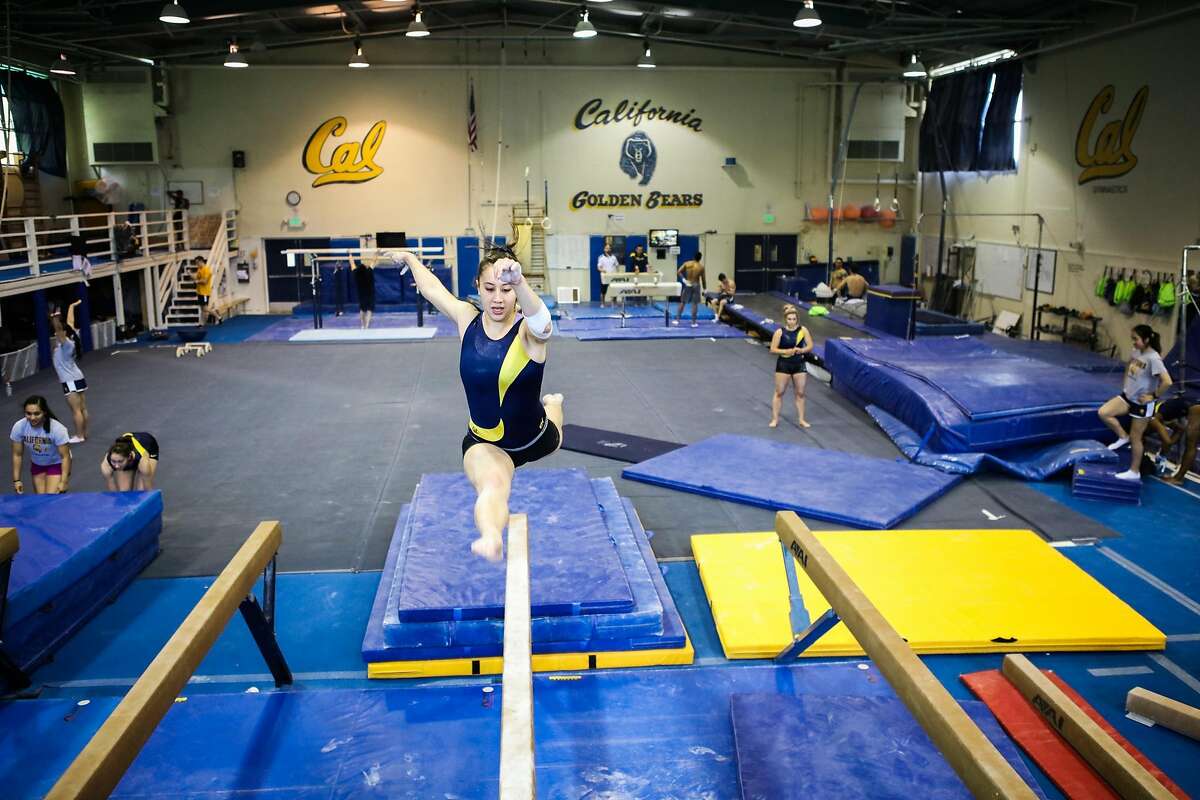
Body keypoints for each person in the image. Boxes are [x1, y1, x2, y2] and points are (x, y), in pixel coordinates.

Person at [384, 246, 561, 562]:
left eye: (507, 290)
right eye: (490, 289)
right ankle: (491, 536)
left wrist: (520, 282)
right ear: (477, 287)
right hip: (485, 442)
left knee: (554, 413)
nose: (498, 299)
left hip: (536, 438)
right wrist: (411, 259)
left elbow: (543, 324)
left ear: (516, 291)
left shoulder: (527, 331)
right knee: (493, 484)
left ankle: (554, 402)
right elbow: (432, 289)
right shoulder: (468, 319)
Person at [1098, 324, 1172, 480]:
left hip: (1143, 404)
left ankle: (1134, 471)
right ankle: (1122, 436)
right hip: (1128, 397)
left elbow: (1167, 381)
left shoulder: (1153, 358)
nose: (1133, 342)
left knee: (1136, 438)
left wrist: (1153, 395)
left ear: (1146, 340)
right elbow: (1129, 365)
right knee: (1104, 412)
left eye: (1136, 339)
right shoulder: (1136, 351)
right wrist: (1126, 384)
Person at [10, 395, 72, 494]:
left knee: (50, 499)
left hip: (56, 464)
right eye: (28, 413)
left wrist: (64, 481)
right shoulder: (19, 427)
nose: (32, 417)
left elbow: (65, 457)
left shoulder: (57, 429)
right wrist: (16, 480)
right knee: (40, 499)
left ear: (44, 412)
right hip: (37, 464)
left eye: (37, 413)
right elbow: (17, 454)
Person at [768, 305, 812, 429]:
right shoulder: (779, 332)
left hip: (799, 363)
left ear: (797, 319)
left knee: (800, 393)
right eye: (789, 319)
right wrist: (785, 351)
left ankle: (801, 419)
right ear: (785, 319)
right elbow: (772, 349)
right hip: (784, 364)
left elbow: (810, 346)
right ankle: (775, 419)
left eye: (794, 319)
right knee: (779, 392)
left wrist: (802, 350)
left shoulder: (803, 330)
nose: (792, 321)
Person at [51, 300, 89, 443]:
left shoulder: (66, 344)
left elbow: (59, 329)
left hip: (70, 380)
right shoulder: (72, 337)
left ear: (63, 333)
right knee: (83, 408)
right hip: (78, 377)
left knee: (76, 410)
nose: (56, 334)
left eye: (58, 333)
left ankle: (79, 436)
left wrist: (54, 318)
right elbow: (70, 322)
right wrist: (71, 307)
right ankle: (84, 433)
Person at [1150, 397, 1200, 485]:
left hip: (1195, 408)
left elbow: (1168, 442)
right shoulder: (1163, 415)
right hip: (1191, 405)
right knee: (1191, 443)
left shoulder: (1154, 419)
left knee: (1191, 444)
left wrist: (1161, 455)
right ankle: (1178, 477)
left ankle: (1178, 478)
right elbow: (1178, 430)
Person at [675, 252, 706, 327]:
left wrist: (683, 279)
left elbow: (678, 272)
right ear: (700, 258)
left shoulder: (687, 263)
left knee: (683, 302)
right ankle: (693, 323)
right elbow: (703, 279)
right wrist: (705, 289)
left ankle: (677, 320)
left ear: (693, 257)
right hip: (696, 285)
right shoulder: (701, 267)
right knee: (694, 304)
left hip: (688, 283)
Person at [349, 252, 377, 329]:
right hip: (370, 293)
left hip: (361, 293)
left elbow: (352, 264)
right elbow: (374, 261)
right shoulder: (369, 272)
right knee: (369, 309)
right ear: (366, 268)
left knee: (362, 308)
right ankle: (366, 325)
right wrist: (377, 253)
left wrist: (350, 254)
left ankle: (362, 324)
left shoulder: (356, 273)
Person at [597, 243, 619, 307]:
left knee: (615, 290)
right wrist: (602, 270)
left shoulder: (614, 257)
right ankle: (602, 303)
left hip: (612, 276)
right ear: (604, 249)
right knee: (603, 291)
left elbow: (617, 265)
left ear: (610, 249)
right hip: (605, 277)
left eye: (609, 248)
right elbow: (598, 268)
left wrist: (617, 273)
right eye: (606, 248)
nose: (608, 249)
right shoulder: (601, 257)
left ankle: (614, 302)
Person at [193, 256, 212, 324]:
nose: (196, 264)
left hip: (205, 293)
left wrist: (197, 281)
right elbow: (196, 278)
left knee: (205, 308)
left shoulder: (206, 269)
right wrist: (190, 274)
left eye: (197, 263)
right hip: (199, 292)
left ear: (201, 261)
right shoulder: (199, 269)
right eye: (196, 263)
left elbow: (205, 281)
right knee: (202, 309)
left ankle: (217, 315)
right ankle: (201, 323)